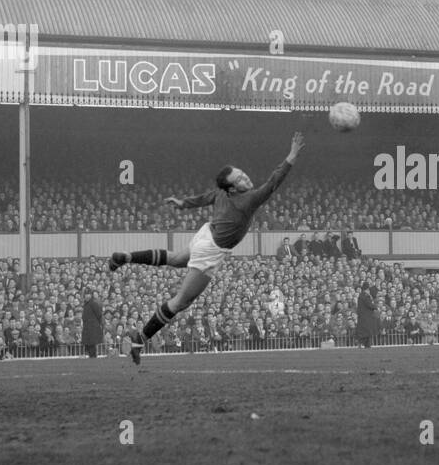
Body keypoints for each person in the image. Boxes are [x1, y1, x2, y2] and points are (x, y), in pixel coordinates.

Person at [109, 133, 305, 365]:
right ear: (232, 189)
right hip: (211, 249)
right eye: (240, 179)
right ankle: (139, 339)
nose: (246, 179)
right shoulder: (248, 199)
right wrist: (292, 155)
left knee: (175, 259)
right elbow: (273, 182)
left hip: (205, 235)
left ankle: (126, 257)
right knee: (181, 301)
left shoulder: (223, 193)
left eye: (243, 174)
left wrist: (184, 203)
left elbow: (207, 197)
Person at [82, 289, 105, 359]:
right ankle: (91, 357)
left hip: (93, 328)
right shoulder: (86, 304)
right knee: (89, 345)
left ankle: (93, 358)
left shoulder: (93, 303)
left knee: (92, 345)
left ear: (91, 295)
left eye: (88, 294)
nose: (87, 296)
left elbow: (99, 315)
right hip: (87, 327)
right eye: (86, 294)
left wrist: (97, 324)